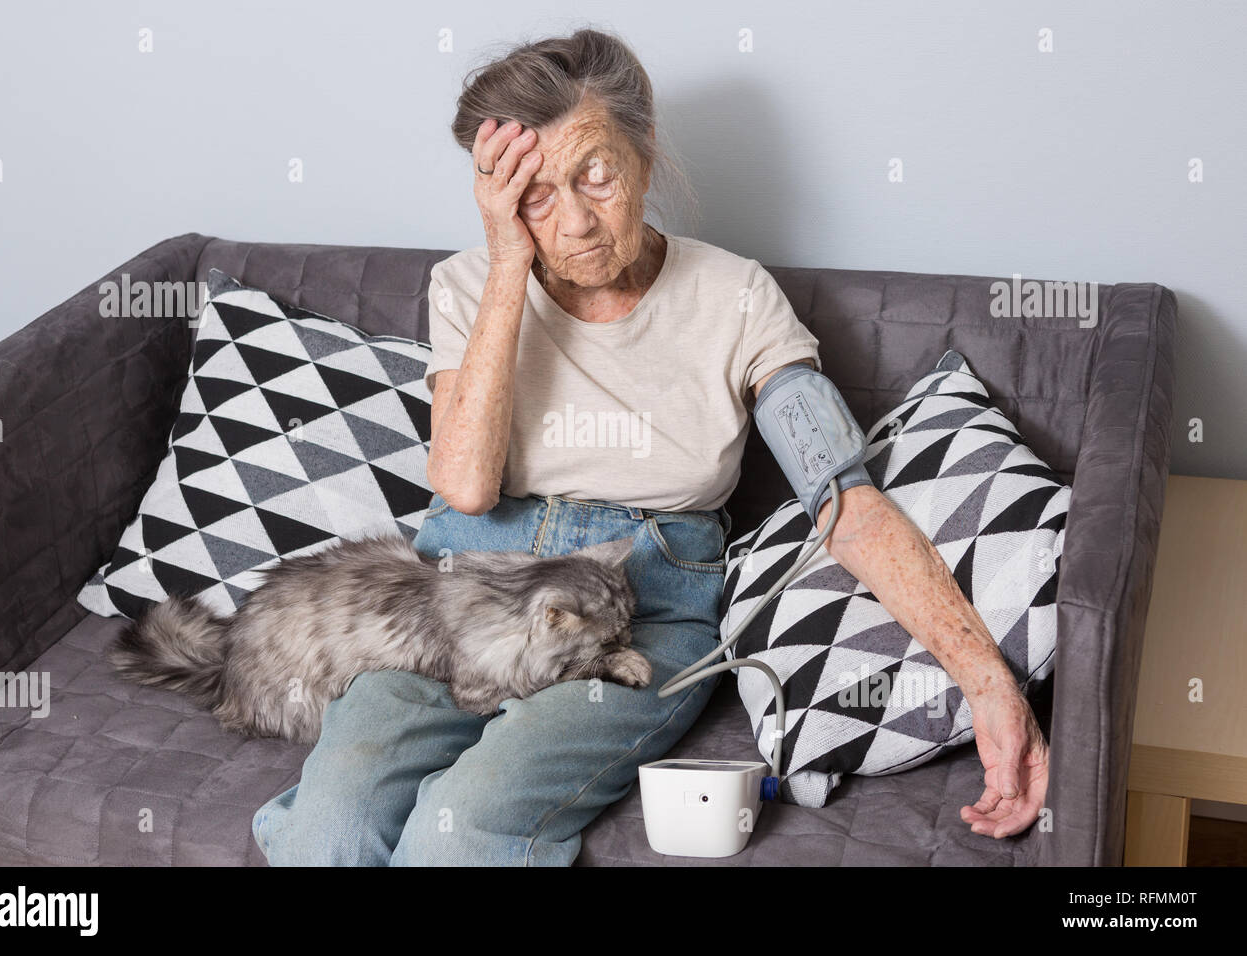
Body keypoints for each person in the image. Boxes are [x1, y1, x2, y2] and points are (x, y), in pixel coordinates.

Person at [253, 28, 1049, 866]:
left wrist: (988, 681)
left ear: (645, 149)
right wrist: (504, 266)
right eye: (536, 194)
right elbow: (465, 486)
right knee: (327, 828)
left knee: (465, 825)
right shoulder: (468, 284)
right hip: (457, 602)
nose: (578, 223)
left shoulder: (736, 296)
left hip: (639, 611)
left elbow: (844, 503)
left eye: (596, 172)